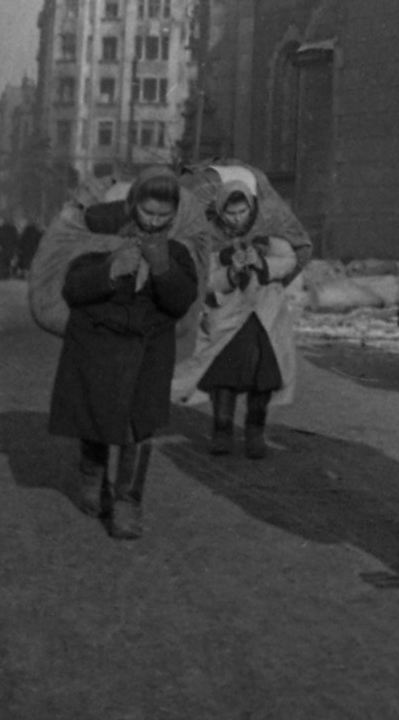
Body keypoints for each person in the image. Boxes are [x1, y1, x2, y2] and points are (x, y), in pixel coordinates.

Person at [46, 165, 203, 539]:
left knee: (139, 426)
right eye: (148, 212)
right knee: (96, 416)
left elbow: (181, 301)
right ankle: (92, 473)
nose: (154, 222)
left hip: (149, 350)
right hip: (98, 344)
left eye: (163, 216)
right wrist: (110, 269)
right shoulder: (99, 239)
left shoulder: (177, 251)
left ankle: (127, 502)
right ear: (132, 206)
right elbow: (73, 289)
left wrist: (162, 266)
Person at [172, 162, 312, 458]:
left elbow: (288, 260)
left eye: (242, 212)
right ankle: (221, 430)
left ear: (251, 208)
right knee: (224, 376)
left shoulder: (268, 233)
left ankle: (254, 431)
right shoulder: (211, 237)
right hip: (229, 318)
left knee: (263, 378)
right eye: (230, 214)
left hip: (265, 318)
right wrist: (231, 273)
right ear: (221, 213)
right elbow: (205, 279)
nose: (237, 219)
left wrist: (263, 264)